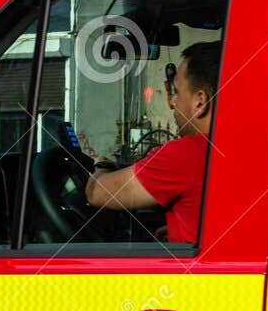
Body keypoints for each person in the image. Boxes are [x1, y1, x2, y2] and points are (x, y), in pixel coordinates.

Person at [84, 39, 217, 244]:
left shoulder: (189, 153)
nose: (172, 102)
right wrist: (178, 229)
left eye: (177, 92)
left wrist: (101, 165)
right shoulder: (249, 147)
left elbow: (97, 193)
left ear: (200, 101)